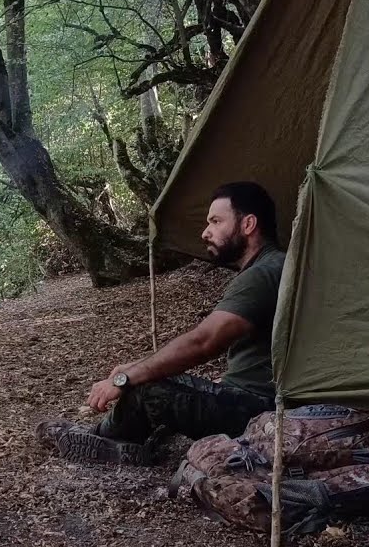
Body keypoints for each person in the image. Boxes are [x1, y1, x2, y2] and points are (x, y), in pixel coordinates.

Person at [41, 181, 286, 466]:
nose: (205, 232)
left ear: (248, 224)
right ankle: (126, 441)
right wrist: (136, 367)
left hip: (260, 411)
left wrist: (127, 378)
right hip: (257, 400)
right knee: (151, 376)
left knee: (147, 388)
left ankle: (101, 440)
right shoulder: (275, 266)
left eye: (216, 221)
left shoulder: (263, 274)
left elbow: (204, 342)